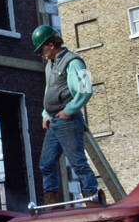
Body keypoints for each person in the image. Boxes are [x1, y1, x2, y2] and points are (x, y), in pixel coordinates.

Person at [32, 24, 98, 204]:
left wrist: (68, 111)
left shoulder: (74, 61)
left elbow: (85, 90)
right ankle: (51, 203)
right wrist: (46, 113)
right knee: (46, 163)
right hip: (53, 121)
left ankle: (92, 199)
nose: (40, 54)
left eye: (41, 49)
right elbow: (49, 90)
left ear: (51, 44)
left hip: (68, 121)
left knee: (78, 163)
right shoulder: (50, 65)